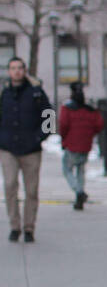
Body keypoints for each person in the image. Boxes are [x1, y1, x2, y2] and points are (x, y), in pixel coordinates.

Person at [0, 56, 52, 242]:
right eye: (13, 68)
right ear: (8, 71)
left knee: (31, 190)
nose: (16, 71)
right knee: (10, 186)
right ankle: (15, 226)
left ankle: (29, 228)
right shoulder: (3, 92)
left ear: (24, 70)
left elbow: (49, 116)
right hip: (8, 149)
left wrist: (40, 137)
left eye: (20, 68)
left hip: (31, 150)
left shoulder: (36, 92)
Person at [57, 82, 103, 211]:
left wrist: (63, 139)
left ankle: (78, 192)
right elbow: (99, 124)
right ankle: (80, 194)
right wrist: (90, 134)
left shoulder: (67, 109)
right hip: (85, 144)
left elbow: (63, 125)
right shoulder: (90, 109)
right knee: (80, 170)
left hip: (71, 144)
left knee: (67, 169)